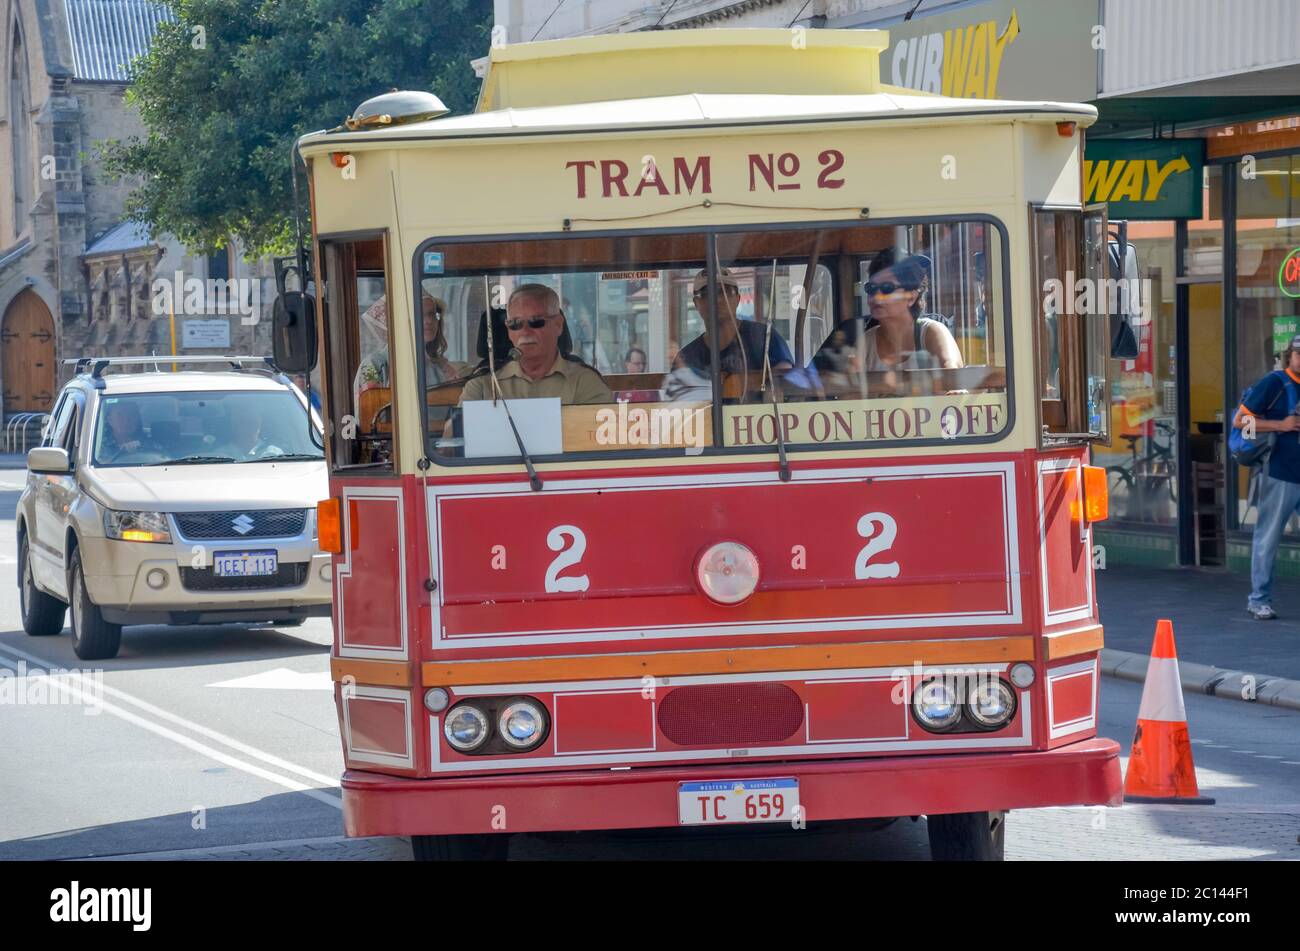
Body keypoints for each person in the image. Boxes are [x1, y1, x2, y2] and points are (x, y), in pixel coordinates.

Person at [459, 283, 613, 405]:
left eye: (536, 322)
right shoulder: (482, 384)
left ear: (558, 325)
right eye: (515, 323)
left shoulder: (585, 381)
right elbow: (456, 439)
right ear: (508, 330)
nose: (525, 331)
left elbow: (597, 440)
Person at [1236, 334, 1300, 619]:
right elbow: (1242, 421)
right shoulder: (1274, 383)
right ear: (1290, 356)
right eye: (1299, 353)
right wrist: (1281, 425)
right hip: (1279, 474)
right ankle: (1258, 599)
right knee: (1268, 538)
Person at [675, 268, 793, 379]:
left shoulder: (765, 338)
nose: (718, 299)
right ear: (696, 303)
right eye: (707, 294)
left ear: (737, 298)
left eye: (725, 292)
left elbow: (786, 382)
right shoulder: (686, 358)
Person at [216, 409, 283, 461]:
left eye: (252, 423)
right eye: (243, 423)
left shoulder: (275, 454)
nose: (248, 428)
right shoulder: (219, 456)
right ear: (235, 426)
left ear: (260, 426)